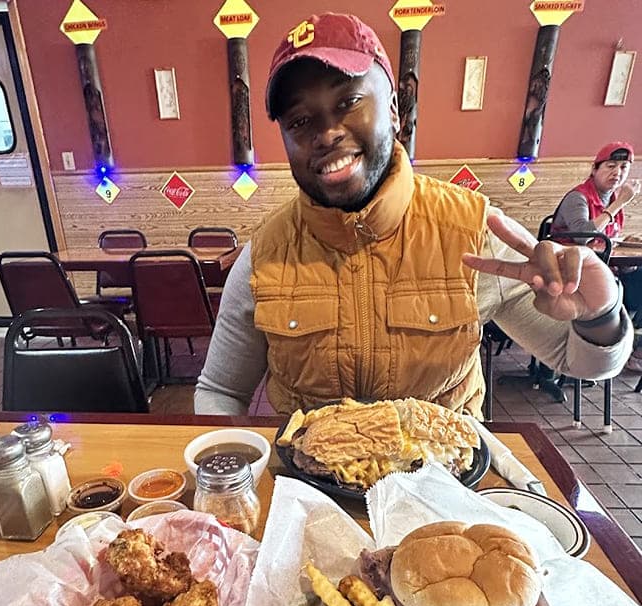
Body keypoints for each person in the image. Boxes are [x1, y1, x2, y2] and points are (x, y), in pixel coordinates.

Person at [195, 13, 632, 417]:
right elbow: (220, 389)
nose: (326, 133)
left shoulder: (475, 231)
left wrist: (601, 313)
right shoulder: (264, 255)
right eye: (299, 121)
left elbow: (579, 362)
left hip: (446, 485)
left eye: (348, 101)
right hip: (312, 491)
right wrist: (236, 473)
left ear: (393, 110)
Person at [552, 141, 642, 326]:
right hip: (572, 271)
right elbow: (583, 236)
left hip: (603, 267)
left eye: (624, 167)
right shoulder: (578, 197)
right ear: (594, 169)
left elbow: (607, 242)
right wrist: (618, 205)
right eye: (610, 166)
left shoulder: (613, 198)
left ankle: (632, 336)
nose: (617, 173)